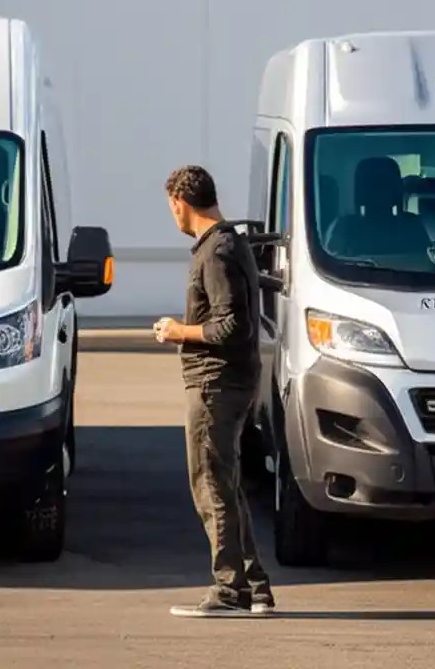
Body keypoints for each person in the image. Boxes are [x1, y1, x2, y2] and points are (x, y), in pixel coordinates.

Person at [153, 164, 275, 617]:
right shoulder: (231, 242)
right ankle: (254, 586)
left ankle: (228, 591)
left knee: (210, 485)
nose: (173, 216)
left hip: (215, 384)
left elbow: (230, 325)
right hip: (233, 381)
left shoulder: (216, 252)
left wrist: (177, 330)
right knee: (226, 483)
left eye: (172, 207)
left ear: (180, 203)